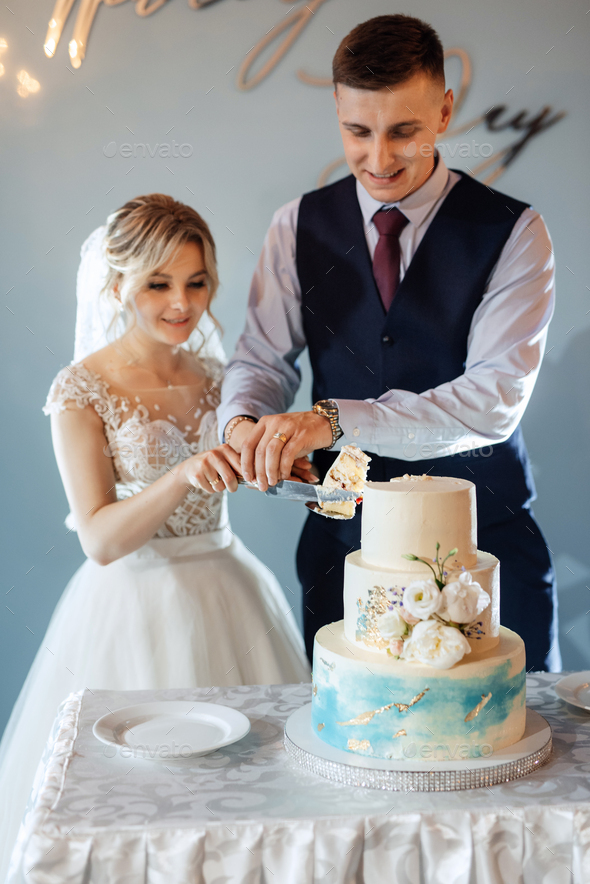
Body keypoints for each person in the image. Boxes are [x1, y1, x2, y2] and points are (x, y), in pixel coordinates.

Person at [218, 14, 561, 673]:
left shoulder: (516, 232)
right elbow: (262, 358)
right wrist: (241, 425)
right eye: (358, 131)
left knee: (513, 750)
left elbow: (492, 401)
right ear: (338, 112)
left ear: (444, 112)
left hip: (484, 553)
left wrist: (329, 422)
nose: (379, 159)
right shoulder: (296, 226)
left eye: (404, 130)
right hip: (340, 549)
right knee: (348, 753)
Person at [0, 194, 310, 876]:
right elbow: (100, 541)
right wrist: (181, 477)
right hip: (129, 605)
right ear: (117, 285)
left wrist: (284, 465)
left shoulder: (222, 379)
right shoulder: (82, 389)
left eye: (197, 283)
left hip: (232, 593)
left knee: (247, 803)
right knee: (144, 809)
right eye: (158, 284)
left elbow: (247, 473)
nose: (182, 303)